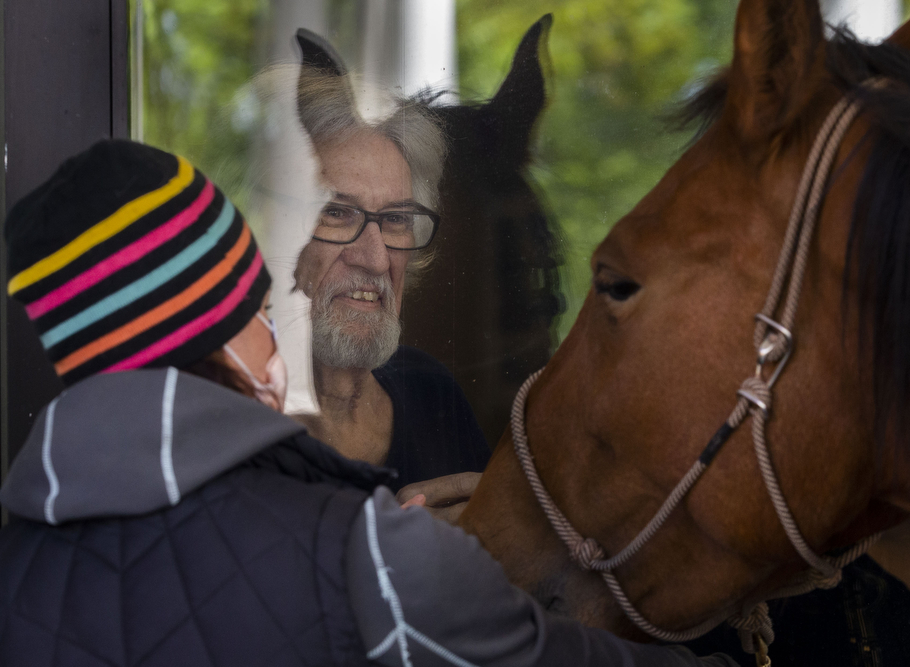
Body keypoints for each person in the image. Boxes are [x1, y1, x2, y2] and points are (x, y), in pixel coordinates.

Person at [0, 139, 736, 667]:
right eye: (253, 313)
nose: (375, 255)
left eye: (398, 221)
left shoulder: (16, 571)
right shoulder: (372, 555)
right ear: (220, 344)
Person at [291, 34, 491, 510]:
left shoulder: (431, 393)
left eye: (397, 220)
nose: (375, 258)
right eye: (338, 213)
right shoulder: (246, 426)